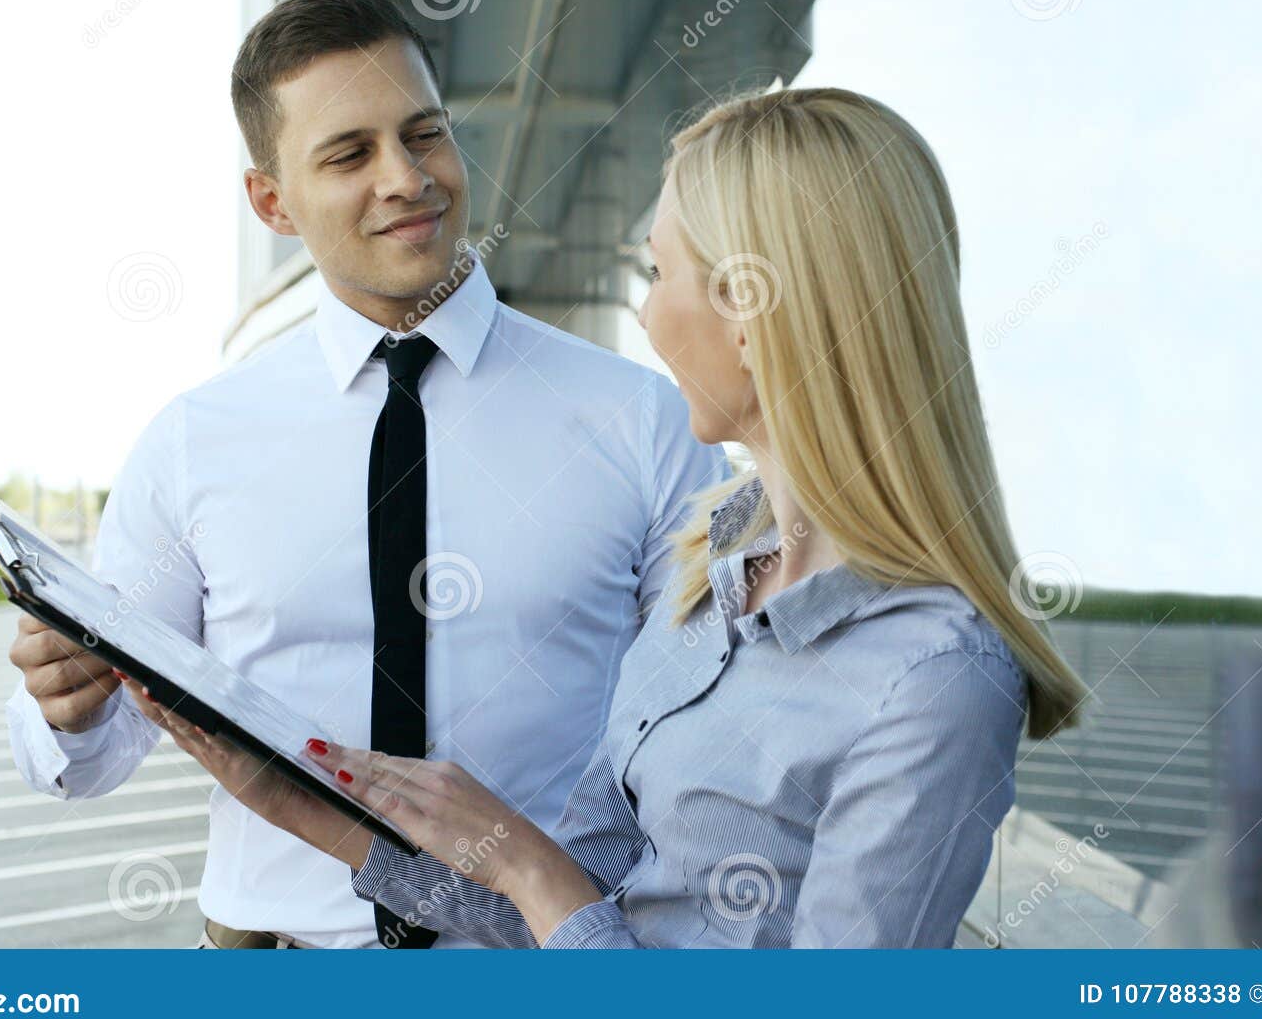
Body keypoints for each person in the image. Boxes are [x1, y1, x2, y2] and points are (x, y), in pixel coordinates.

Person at [133, 86, 1092, 947]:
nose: (644, 317)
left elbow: (564, 899)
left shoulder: (933, 678)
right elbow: (587, 907)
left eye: (658, 273)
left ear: (750, 312)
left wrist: (527, 864)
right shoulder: (715, 563)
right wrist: (296, 801)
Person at [3, 0, 726, 949]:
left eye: (425, 135)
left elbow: (709, 731)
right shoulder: (192, 442)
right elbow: (90, 760)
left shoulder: (643, 419)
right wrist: (66, 707)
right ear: (272, 202)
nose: (406, 178)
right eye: (349, 154)